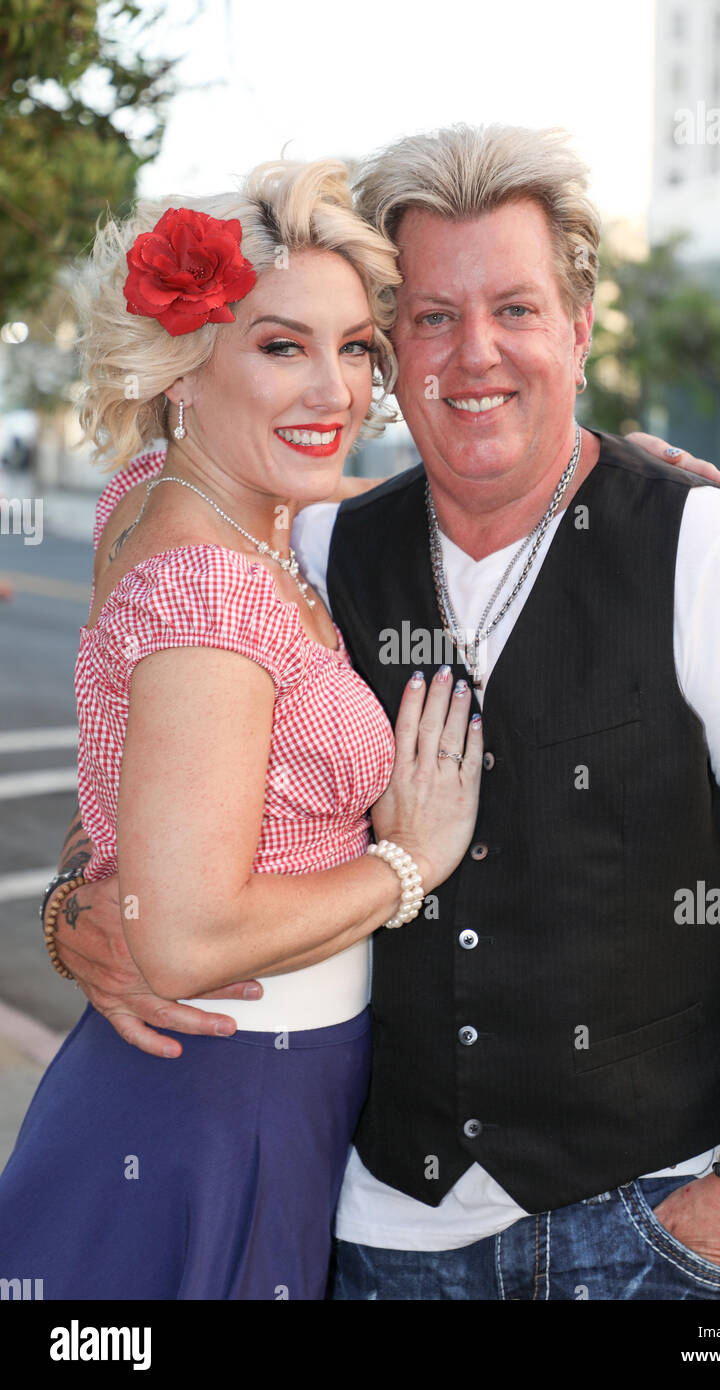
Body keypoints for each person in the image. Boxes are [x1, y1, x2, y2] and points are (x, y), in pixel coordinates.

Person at [49, 126, 720, 1302]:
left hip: (653, 1225)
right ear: (395, 352)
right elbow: (162, 772)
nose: (473, 353)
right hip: (380, 1225)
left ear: (579, 332)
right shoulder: (309, 551)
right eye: (430, 317)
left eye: (516, 310)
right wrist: (75, 902)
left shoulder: (707, 554)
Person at [0, 158, 483, 1301]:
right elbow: (182, 941)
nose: (336, 391)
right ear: (182, 367)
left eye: (357, 347)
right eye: (280, 345)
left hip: (230, 1089)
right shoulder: (210, 594)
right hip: (222, 1103)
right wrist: (408, 864)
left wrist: (595, 470)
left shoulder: (170, 495)